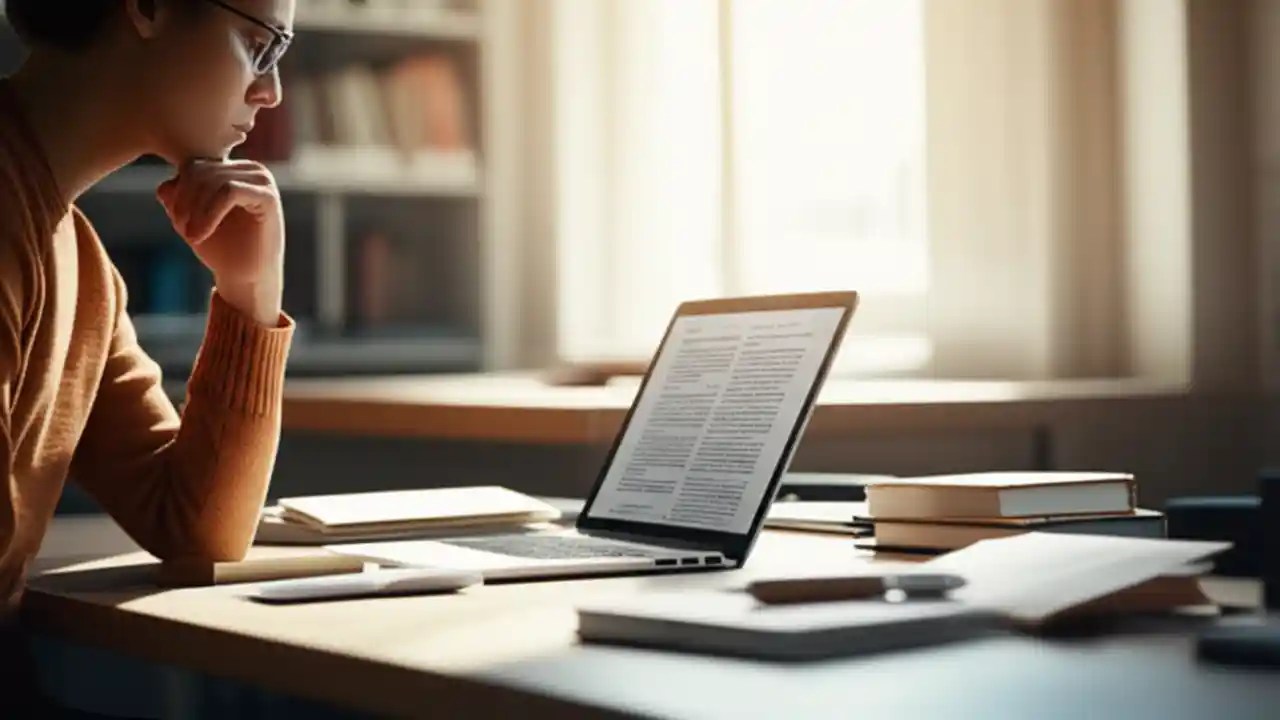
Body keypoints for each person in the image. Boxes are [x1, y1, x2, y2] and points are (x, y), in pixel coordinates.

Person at [0, 0, 297, 714]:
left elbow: (198, 530)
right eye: (260, 44)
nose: (271, 92)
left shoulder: (81, 261)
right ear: (149, 7)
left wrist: (250, 293)